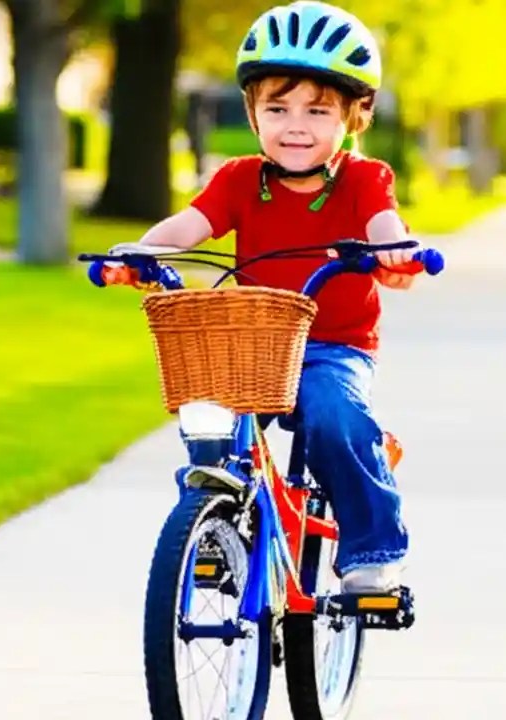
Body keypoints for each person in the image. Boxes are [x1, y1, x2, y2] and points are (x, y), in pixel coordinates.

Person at [130, 1, 424, 592]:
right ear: (252, 110)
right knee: (207, 412)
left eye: (317, 111)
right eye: (277, 107)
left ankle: (373, 551)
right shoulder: (240, 178)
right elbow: (188, 226)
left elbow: (384, 226)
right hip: (256, 344)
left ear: (355, 116)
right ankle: (215, 530)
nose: (295, 125)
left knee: (335, 415)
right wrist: (138, 252)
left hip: (332, 346)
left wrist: (397, 253)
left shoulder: (364, 180)